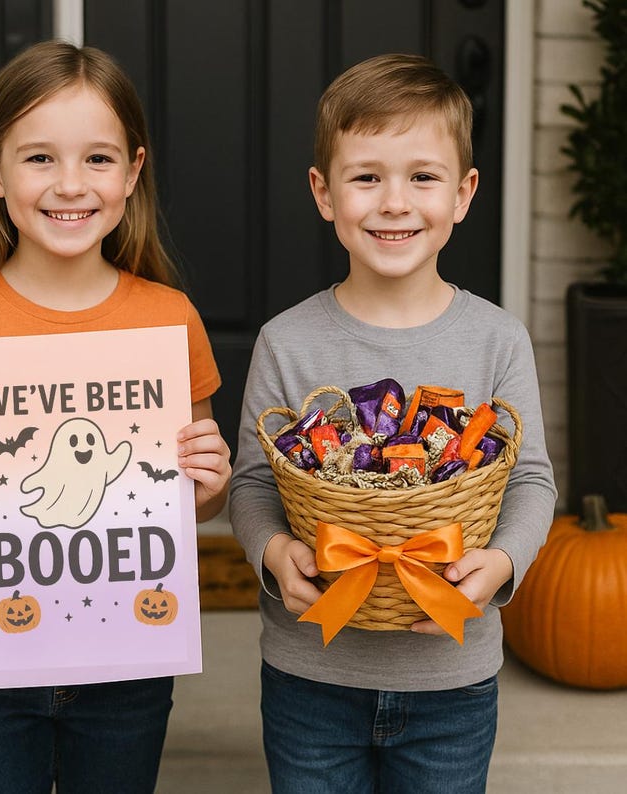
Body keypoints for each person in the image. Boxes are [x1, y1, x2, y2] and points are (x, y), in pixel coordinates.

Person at [0, 40, 231, 794]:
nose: (71, 185)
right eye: (40, 158)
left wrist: (208, 480)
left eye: (98, 160)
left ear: (133, 173)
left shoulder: (169, 320)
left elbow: (199, 501)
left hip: (126, 660)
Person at [229, 53, 556, 794]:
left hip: (453, 676)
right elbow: (252, 485)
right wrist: (274, 553)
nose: (394, 202)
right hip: (310, 672)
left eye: (423, 176)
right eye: (366, 176)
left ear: (465, 193)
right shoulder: (288, 341)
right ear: (324, 192)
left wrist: (502, 563)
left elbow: (531, 479)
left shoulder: (497, 339)